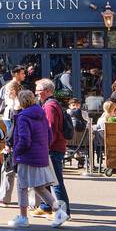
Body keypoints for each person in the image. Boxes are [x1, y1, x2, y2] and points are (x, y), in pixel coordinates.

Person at [9, 90, 66, 228]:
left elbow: (24, 140)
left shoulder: (23, 117)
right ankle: (59, 211)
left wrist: (16, 153)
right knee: (40, 187)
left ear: (21, 101)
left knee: (22, 186)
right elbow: (49, 136)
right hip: (41, 156)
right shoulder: (41, 114)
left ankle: (23, 217)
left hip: (26, 157)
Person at [36, 78, 71, 219]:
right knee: (47, 180)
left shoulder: (50, 106)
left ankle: (64, 212)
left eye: (39, 90)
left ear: (47, 91)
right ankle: (46, 207)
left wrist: (45, 147)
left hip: (53, 149)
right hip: (53, 147)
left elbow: (50, 129)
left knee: (56, 182)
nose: (36, 93)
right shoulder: (50, 104)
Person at [0, 78, 23, 207]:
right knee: (10, 170)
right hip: (13, 141)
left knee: (9, 170)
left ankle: (3, 198)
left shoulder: (16, 106)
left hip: (14, 143)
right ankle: (3, 197)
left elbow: (14, 127)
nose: (5, 93)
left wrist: (8, 143)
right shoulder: (11, 104)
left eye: (7, 91)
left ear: (13, 91)